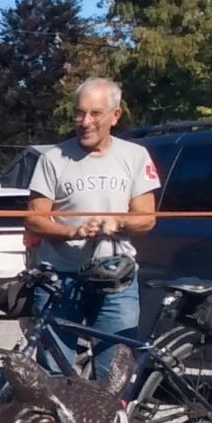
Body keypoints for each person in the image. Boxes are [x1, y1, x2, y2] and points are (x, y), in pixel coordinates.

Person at [23, 76, 160, 376]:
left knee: (113, 373)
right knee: (52, 373)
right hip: (60, 280)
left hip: (115, 279)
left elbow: (147, 218)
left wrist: (118, 222)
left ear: (115, 116)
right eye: (79, 113)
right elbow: (34, 218)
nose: (85, 121)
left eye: (95, 113)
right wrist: (73, 231)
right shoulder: (53, 158)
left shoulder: (135, 157)